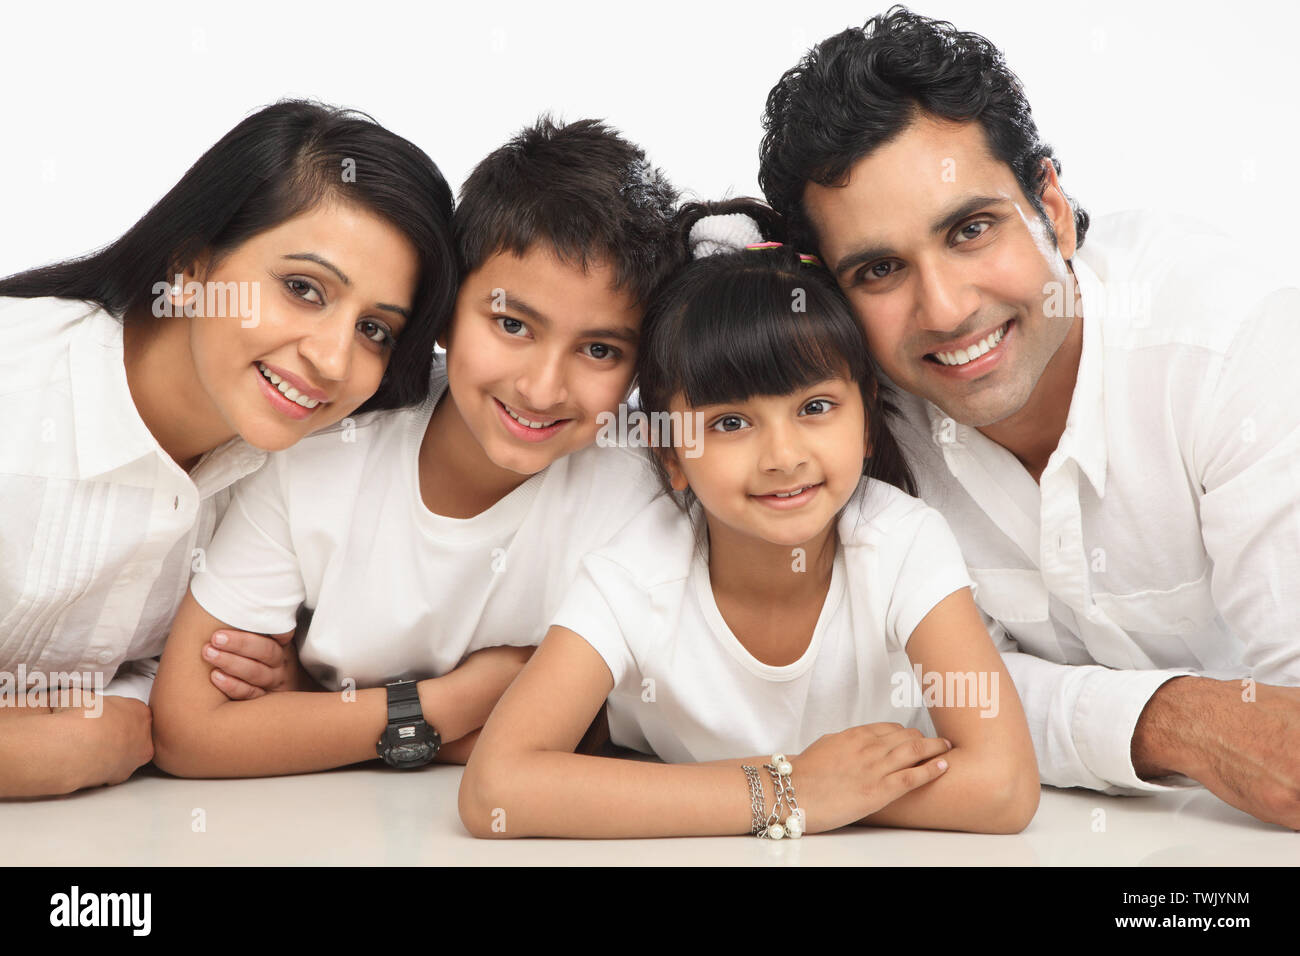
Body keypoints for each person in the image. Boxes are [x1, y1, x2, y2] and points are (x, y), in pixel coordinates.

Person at [758, 6, 1300, 828]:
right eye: (878, 269)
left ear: (1053, 208)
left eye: (971, 229)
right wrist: (1177, 720)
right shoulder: (833, 423)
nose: (945, 309)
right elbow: (877, 696)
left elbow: (1289, 741)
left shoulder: (1231, 346)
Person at [458, 200, 1038, 839]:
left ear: (867, 419)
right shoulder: (636, 574)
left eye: (816, 406)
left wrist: (824, 796)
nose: (783, 457)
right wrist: (791, 790)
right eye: (730, 423)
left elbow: (1004, 786)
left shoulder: (901, 542)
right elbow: (495, 791)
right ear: (672, 455)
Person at [148, 117, 681, 777]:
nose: (543, 388)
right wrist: (465, 700)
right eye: (512, 324)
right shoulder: (319, 446)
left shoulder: (643, 495)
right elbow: (190, 734)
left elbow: (613, 736)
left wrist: (318, 710)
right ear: (446, 312)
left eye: (599, 349)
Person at [0, 99, 456, 797]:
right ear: (189, 266)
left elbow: (515, 390)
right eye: (303, 288)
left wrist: (289, 674)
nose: (333, 360)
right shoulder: (18, 391)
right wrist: (70, 744)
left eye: (376, 329)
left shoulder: (320, 443)